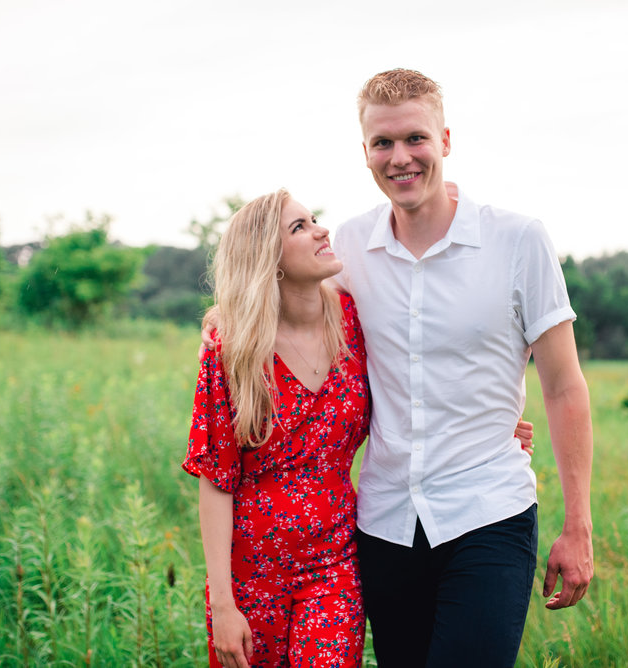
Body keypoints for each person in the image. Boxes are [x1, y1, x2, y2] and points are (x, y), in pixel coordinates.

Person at [330, 68, 595, 667]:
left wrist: (577, 525)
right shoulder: (346, 247)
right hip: (385, 519)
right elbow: (284, 316)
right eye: (383, 143)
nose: (401, 158)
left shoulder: (518, 240)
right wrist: (219, 328)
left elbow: (563, 385)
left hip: (487, 510)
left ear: (445, 140)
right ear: (366, 152)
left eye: (415, 139)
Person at [183, 189, 372, 667]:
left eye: (313, 220)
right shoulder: (233, 351)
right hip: (249, 574)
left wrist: (488, 423)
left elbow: (417, 385)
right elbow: (216, 481)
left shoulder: (358, 324)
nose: (321, 231)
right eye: (299, 227)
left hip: (335, 563)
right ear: (270, 259)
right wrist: (222, 605)